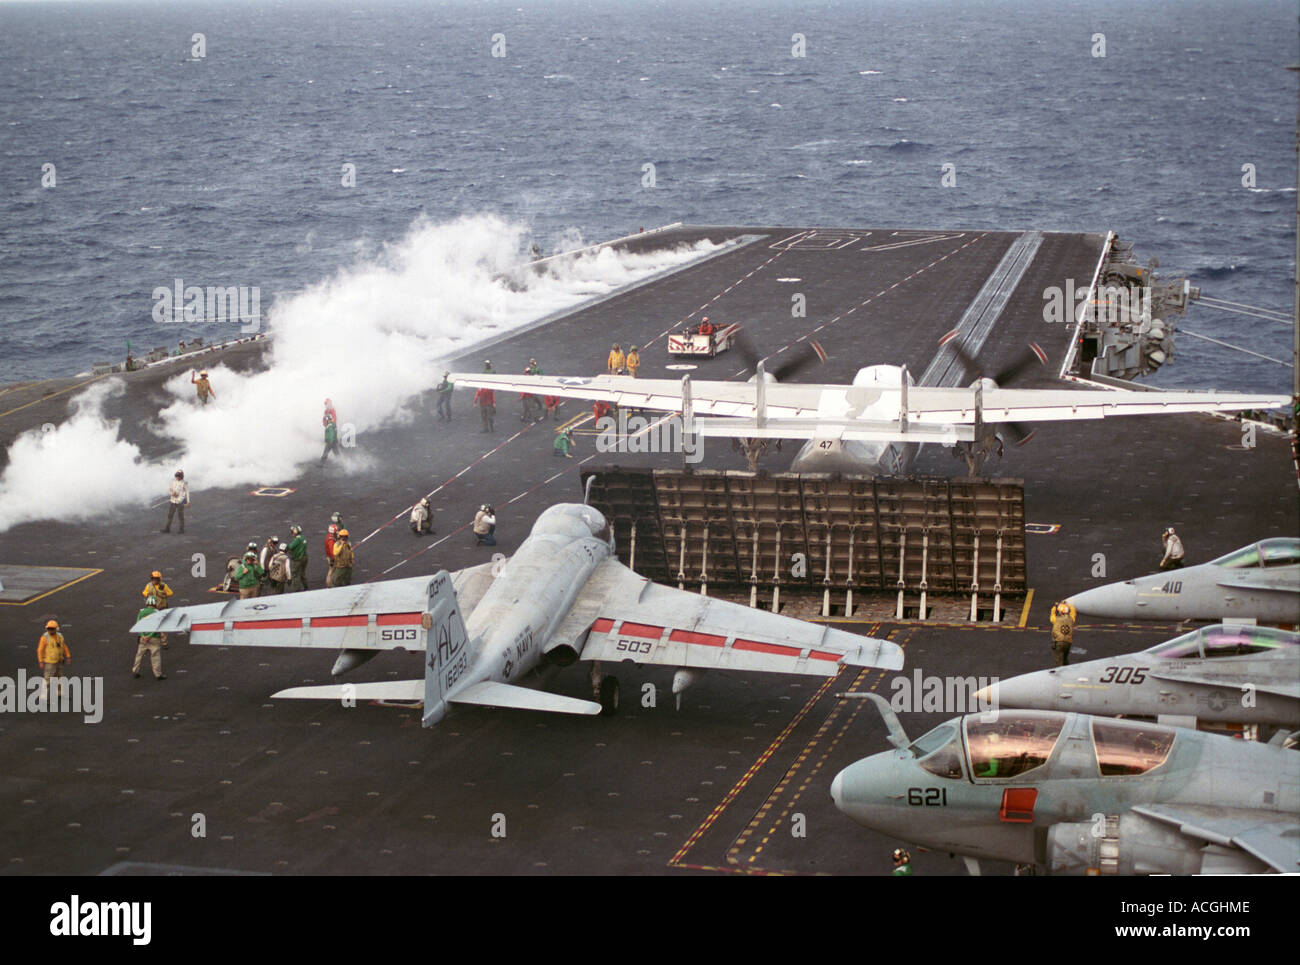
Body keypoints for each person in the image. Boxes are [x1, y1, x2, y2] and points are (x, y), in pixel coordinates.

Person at [133, 597, 166, 680]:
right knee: (155, 656)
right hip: (154, 637)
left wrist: (143, 635)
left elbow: (138, 624)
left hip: (143, 637)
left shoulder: (141, 612)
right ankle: (158, 674)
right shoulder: (157, 612)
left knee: (139, 655)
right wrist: (150, 635)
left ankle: (135, 671)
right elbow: (157, 626)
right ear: (155, 604)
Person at [37, 619, 70, 702]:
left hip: (58, 660)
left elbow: (64, 646)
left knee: (59, 678)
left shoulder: (60, 636)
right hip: (50, 662)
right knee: (48, 679)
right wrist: (41, 661)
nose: (50, 630)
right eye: (49, 629)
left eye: (52, 629)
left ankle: (59, 693)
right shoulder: (45, 637)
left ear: (56, 629)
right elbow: (40, 650)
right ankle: (43, 697)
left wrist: (68, 656)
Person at [142, 569, 174, 648]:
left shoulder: (163, 586)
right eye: (153, 579)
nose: (154, 580)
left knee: (161, 625)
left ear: (159, 579)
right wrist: (147, 594)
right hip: (151, 608)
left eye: (156, 579)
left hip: (161, 608)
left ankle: (164, 641)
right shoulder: (149, 586)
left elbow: (170, 593)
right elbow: (144, 592)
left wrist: (163, 593)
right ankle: (149, 640)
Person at [1050, 600, 1076, 666]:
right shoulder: (1071, 619)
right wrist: (1068, 605)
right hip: (1068, 642)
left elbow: (1052, 614)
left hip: (1058, 642)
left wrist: (1055, 606)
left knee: (1058, 661)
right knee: (1065, 659)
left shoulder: (1055, 619)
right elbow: (1073, 611)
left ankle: (1059, 674)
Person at [287, 524, 309, 591]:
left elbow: (290, 547)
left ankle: (296, 590)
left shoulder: (297, 539)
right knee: (302, 573)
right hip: (305, 557)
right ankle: (306, 587)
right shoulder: (303, 537)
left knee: (296, 574)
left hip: (298, 559)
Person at [324, 521, 340, 587]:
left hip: (330, 556)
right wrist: (333, 559)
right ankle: (329, 584)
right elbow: (332, 551)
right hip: (331, 557)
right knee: (331, 571)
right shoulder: (331, 540)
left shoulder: (329, 536)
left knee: (332, 570)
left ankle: (330, 583)